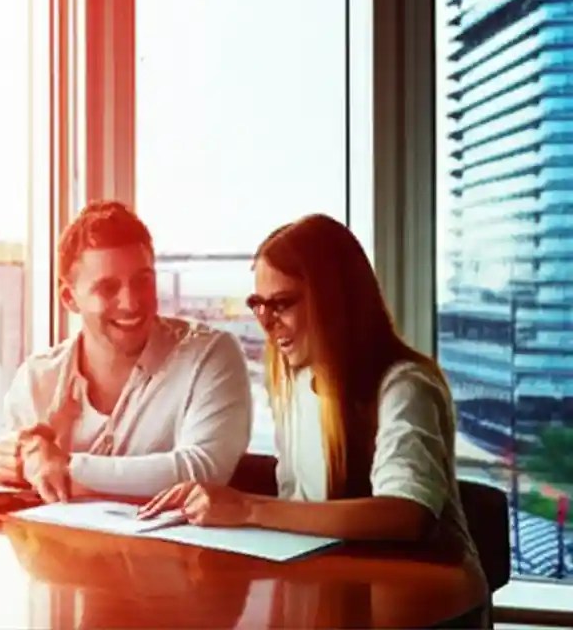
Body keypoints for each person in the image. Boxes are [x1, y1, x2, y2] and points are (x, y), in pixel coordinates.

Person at [139, 214, 481, 569]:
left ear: (336, 301)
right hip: (331, 580)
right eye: (259, 304)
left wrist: (248, 507)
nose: (267, 323)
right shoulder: (295, 382)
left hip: (425, 600)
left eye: (282, 304)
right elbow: (297, 505)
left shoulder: (404, 387)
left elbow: (406, 515)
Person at [0, 200, 252, 502]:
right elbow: (8, 472)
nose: (131, 303)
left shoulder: (208, 355)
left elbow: (203, 471)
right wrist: (9, 466)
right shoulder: (38, 377)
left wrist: (64, 467)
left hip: (169, 549)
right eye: (108, 288)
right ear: (70, 298)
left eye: (142, 282)